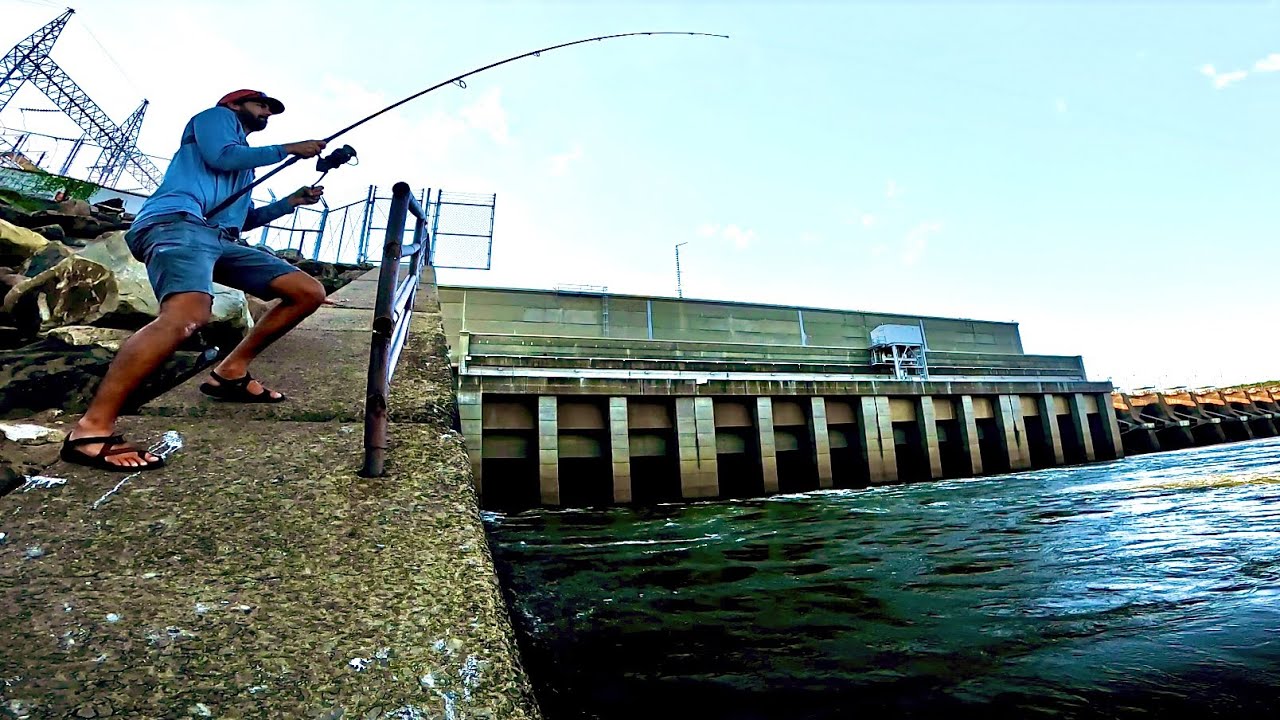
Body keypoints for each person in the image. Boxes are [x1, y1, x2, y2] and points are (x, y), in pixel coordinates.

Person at [60, 89, 330, 471]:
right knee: (187, 315)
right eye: (261, 104)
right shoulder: (216, 119)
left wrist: (293, 201)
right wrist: (288, 148)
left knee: (306, 291)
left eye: (272, 109)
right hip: (175, 223)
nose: (267, 112)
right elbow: (222, 156)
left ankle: (229, 373)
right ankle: (90, 430)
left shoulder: (246, 166)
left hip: (219, 237)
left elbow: (244, 219)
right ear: (234, 104)